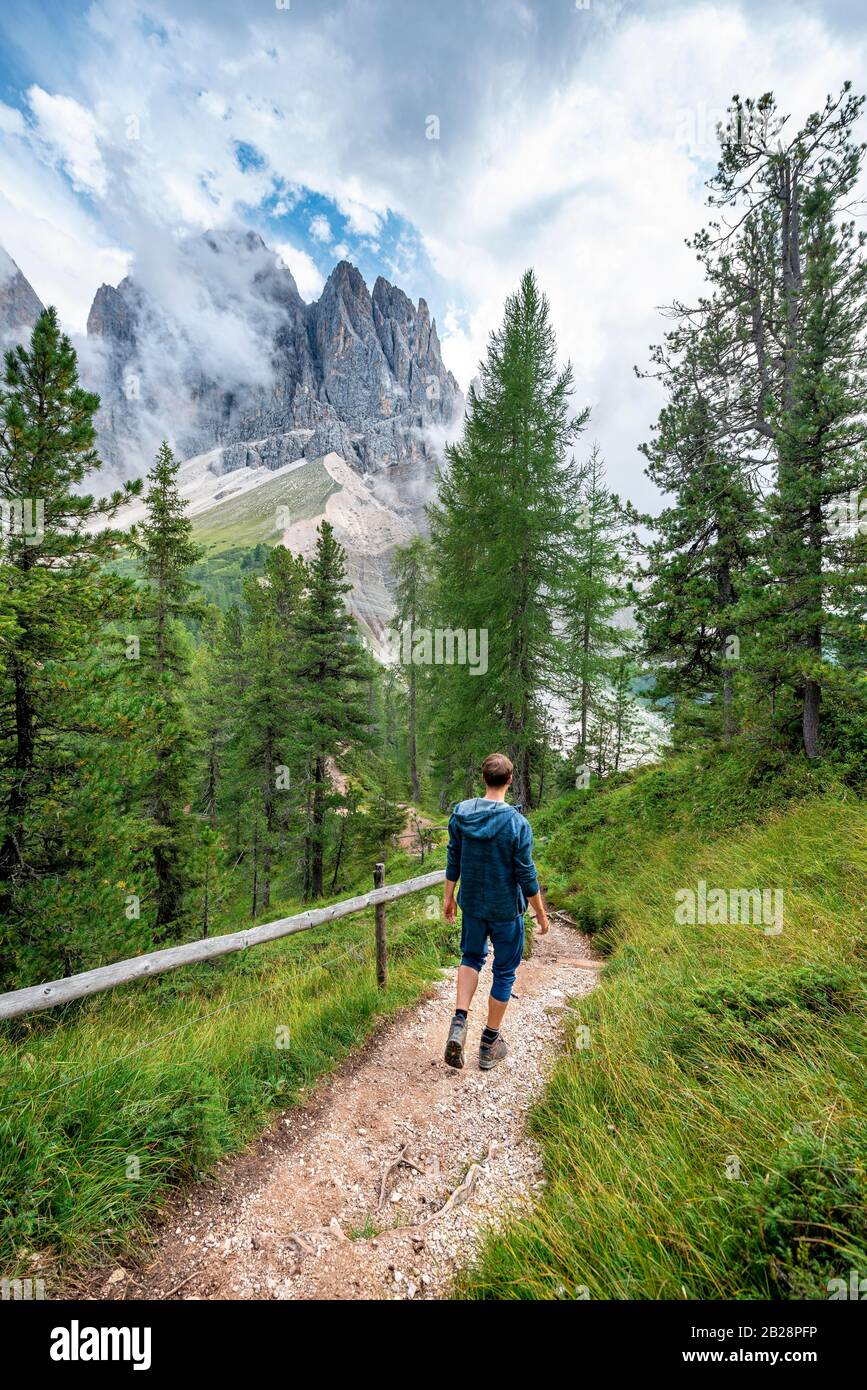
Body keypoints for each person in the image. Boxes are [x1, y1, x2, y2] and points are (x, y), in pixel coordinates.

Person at [442, 752, 548, 1071]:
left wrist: (449, 898)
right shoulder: (517, 824)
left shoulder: (461, 814)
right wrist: (540, 914)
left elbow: (453, 859)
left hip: (472, 905)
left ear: (483, 778)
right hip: (506, 912)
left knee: (471, 958)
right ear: (510, 780)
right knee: (504, 972)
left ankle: (459, 1021)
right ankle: (489, 1045)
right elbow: (526, 875)